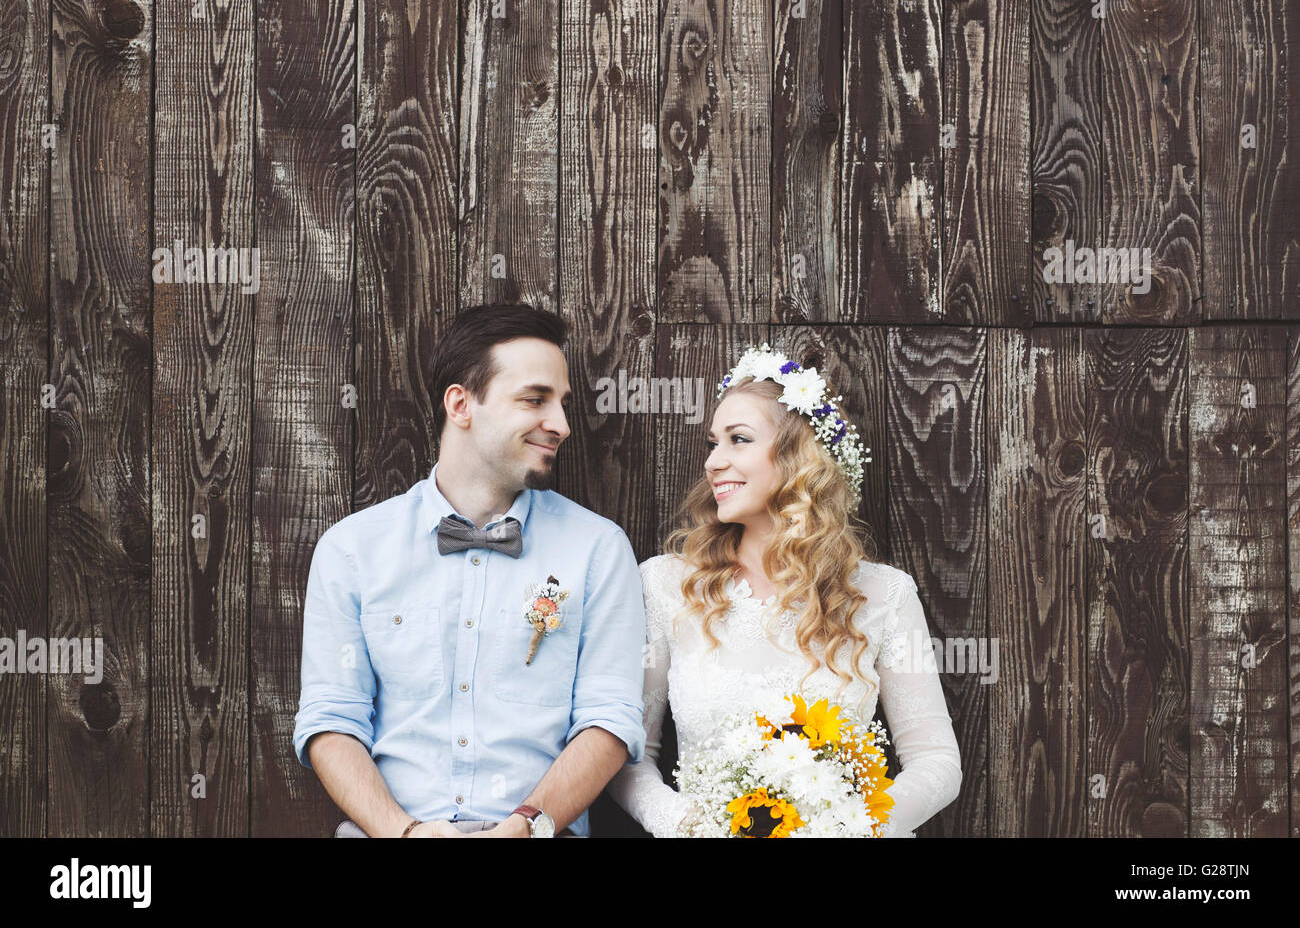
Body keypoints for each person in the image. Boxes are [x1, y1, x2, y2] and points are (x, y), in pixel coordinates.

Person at [293, 304, 646, 837]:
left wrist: (527, 825)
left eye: (562, 404)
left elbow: (610, 721)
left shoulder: (598, 549)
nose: (562, 425)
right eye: (535, 399)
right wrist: (404, 832)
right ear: (461, 404)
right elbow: (331, 721)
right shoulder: (351, 549)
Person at [606, 343, 962, 836]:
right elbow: (629, 757)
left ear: (799, 458)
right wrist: (691, 828)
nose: (713, 461)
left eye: (738, 439)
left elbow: (936, 760)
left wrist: (848, 828)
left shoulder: (886, 596)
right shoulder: (668, 585)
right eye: (713, 442)